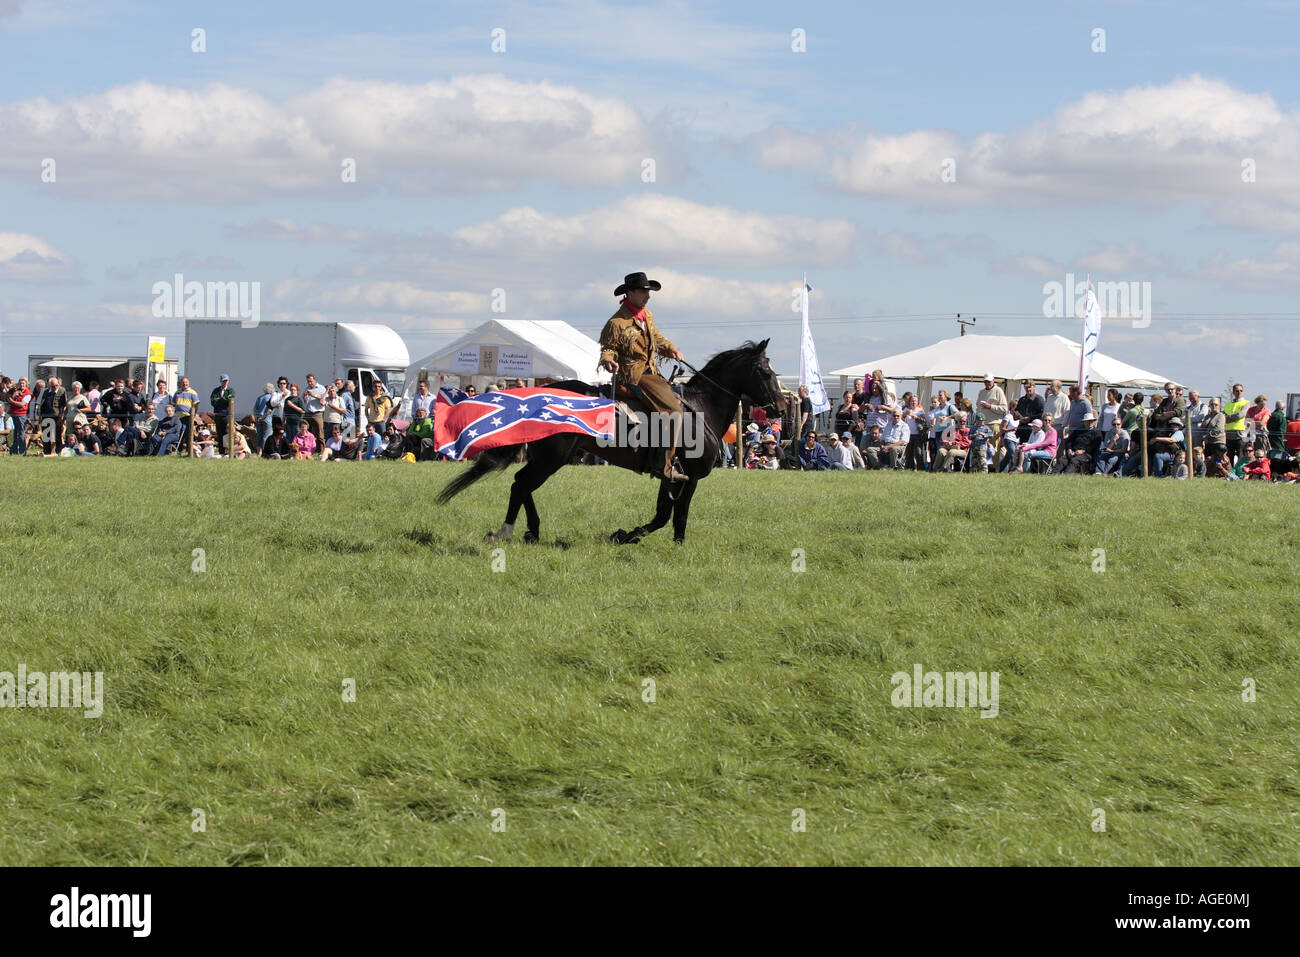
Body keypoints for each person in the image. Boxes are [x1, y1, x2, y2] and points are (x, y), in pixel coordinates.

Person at [598, 271, 689, 481]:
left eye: (648, 292)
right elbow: (608, 349)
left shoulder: (646, 315)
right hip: (633, 376)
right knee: (674, 411)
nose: (647, 297)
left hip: (651, 372)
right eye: (643, 292)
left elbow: (656, 338)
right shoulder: (616, 322)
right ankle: (664, 467)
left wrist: (671, 349)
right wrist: (608, 361)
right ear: (629, 293)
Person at [172, 376, 199, 452]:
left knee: (188, 433)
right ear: (181, 383)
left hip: (187, 416)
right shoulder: (177, 392)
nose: (185, 384)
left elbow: (196, 405)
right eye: (183, 382)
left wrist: (193, 415)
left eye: (186, 382)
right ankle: (179, 449)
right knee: (179, 432)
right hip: (178, 416)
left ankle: (188, 450)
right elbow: (173, 403)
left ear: (188, 383)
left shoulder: (193, 393)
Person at [1223, 382, 1248, 465]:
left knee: (1241, 455)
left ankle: (1240, 473)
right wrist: (1228, 418)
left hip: (1240, 433)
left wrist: (1227, 418)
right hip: (1229, 433)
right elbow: (1223, 415)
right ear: (1233, 392)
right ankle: (1230, 473)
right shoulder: (1228, 404)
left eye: (1241, 391)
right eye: (1237, 391)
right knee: (1229, 455)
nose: (1239, 392)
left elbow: (1240, 415)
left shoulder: (1246, 403)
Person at [7, 376, 30, 454]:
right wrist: (14, 394)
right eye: (20, 383)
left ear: (26, 384)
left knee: (21, 434)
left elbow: (22, 404)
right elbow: (8, 399)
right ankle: (13, 451)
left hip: (21, 415)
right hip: (12, 413)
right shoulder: (16, 391)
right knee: (13, 433)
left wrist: (12, 401)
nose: (21, 385)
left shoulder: (28, 394)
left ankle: (22, 451)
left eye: (23, 383)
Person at [210, 374, 235, 445]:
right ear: (220, 381)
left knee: (227, 432)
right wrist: (224, 399)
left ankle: (227, 450)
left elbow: (230, 400)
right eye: (223, 381)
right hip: (218, 414)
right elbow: (213, 401)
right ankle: (221, 450)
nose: (225, 382)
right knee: (219, 433)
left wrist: (219, 399)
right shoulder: (216, 390)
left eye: (226, 381)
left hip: (227, 415)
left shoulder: (230, 390)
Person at [302, 373, 326, 442]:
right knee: (307, 432)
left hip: (317, 413)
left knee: (319, 433)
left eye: (311, 381)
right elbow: (303, 401)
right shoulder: (306, 388)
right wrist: (304, 396)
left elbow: (324, 401)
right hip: (308, 413)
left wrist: (314, 395)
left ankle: (321, 450)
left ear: (315, 380)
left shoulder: (321, 388)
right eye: (308, 381)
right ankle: (309, 450)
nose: (309, 383)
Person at [253, 384, 276, 452]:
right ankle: (265, 452)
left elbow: (254, 409)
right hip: (266, 418)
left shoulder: (260, 397)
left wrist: (256, 418)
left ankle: (258, 452)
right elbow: (269, 410)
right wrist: (263, 417)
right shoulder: (271, 398)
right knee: (266, 436)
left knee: (259, 436)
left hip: (258, 418)